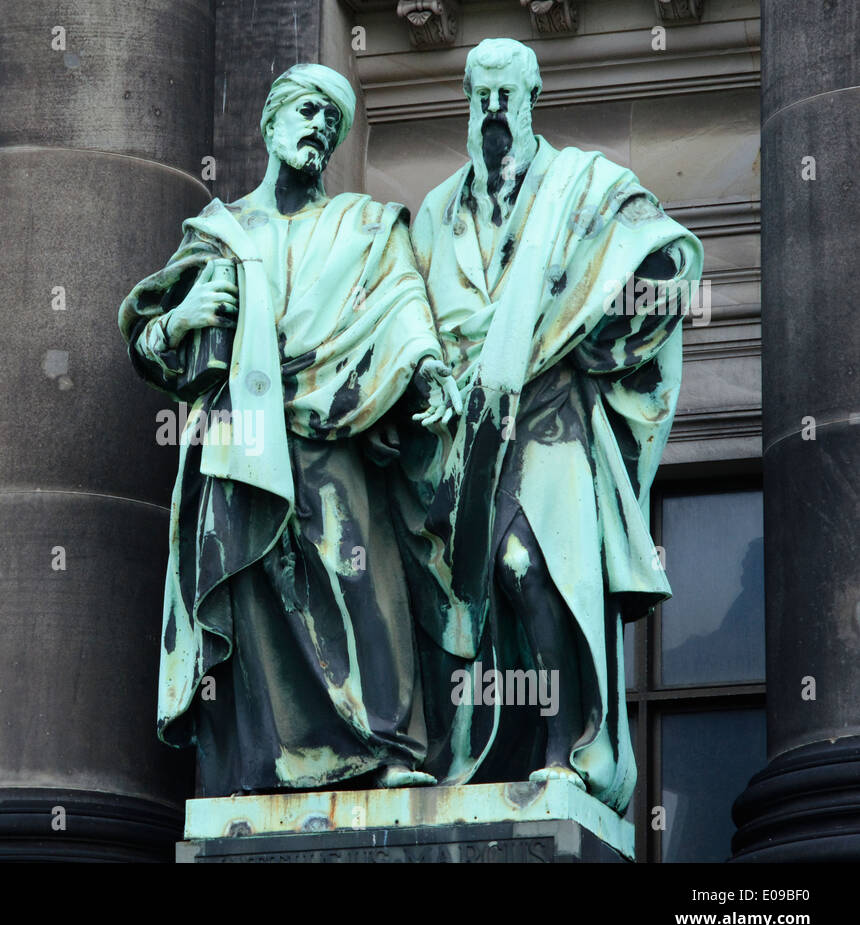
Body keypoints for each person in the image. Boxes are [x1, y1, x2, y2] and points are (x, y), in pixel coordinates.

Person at [118, 64, 457, 796]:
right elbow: (151, 342)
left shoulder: (365, 226)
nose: (318, 130)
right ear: (270, 125)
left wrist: (427, 373)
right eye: (306, 113)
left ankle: (391, 745)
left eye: (331, 124)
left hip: (335, 438)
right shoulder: (220, 231)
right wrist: (183, 316)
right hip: (241, 444)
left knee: (362, 580)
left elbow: (403, 307)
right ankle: (268, 763)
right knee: (255, 596)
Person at [387, 38, 703, 812]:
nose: (494, 110)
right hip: (464, 435)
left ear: (533, 100)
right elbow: (409, 311)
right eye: (482, 96)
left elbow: (662, 261)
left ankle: (567, 745)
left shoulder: (584, 183)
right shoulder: (436, 209)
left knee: (531, 566)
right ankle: (468, 750)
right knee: (462, 590)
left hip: (551, 414)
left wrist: (587, 329)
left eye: (508, 95)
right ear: (468, 104)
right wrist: (425, 375)